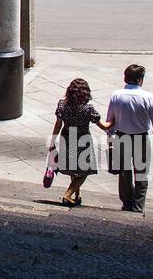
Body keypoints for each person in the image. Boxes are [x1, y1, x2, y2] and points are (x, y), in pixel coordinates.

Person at [105, 64, 153, 213]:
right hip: (142, 138)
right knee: (142, 172)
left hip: (121, 136)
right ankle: (138, 205)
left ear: (125, 78)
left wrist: (110, 136)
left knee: (124, 172)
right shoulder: (148, 97)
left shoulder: (116, 95)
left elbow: (110, 119)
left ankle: (126, 202)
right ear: (140, 80)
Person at [46, 77, 112, 207]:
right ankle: (68, 195)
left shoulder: (62, 105)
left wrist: (53, 142)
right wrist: (115, 119)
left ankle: (77, 196)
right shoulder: (88, 109)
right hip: (83, 141)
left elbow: (58, 125)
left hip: (67, 138)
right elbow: (104, 126)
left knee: (74, 169)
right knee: (85, 171)